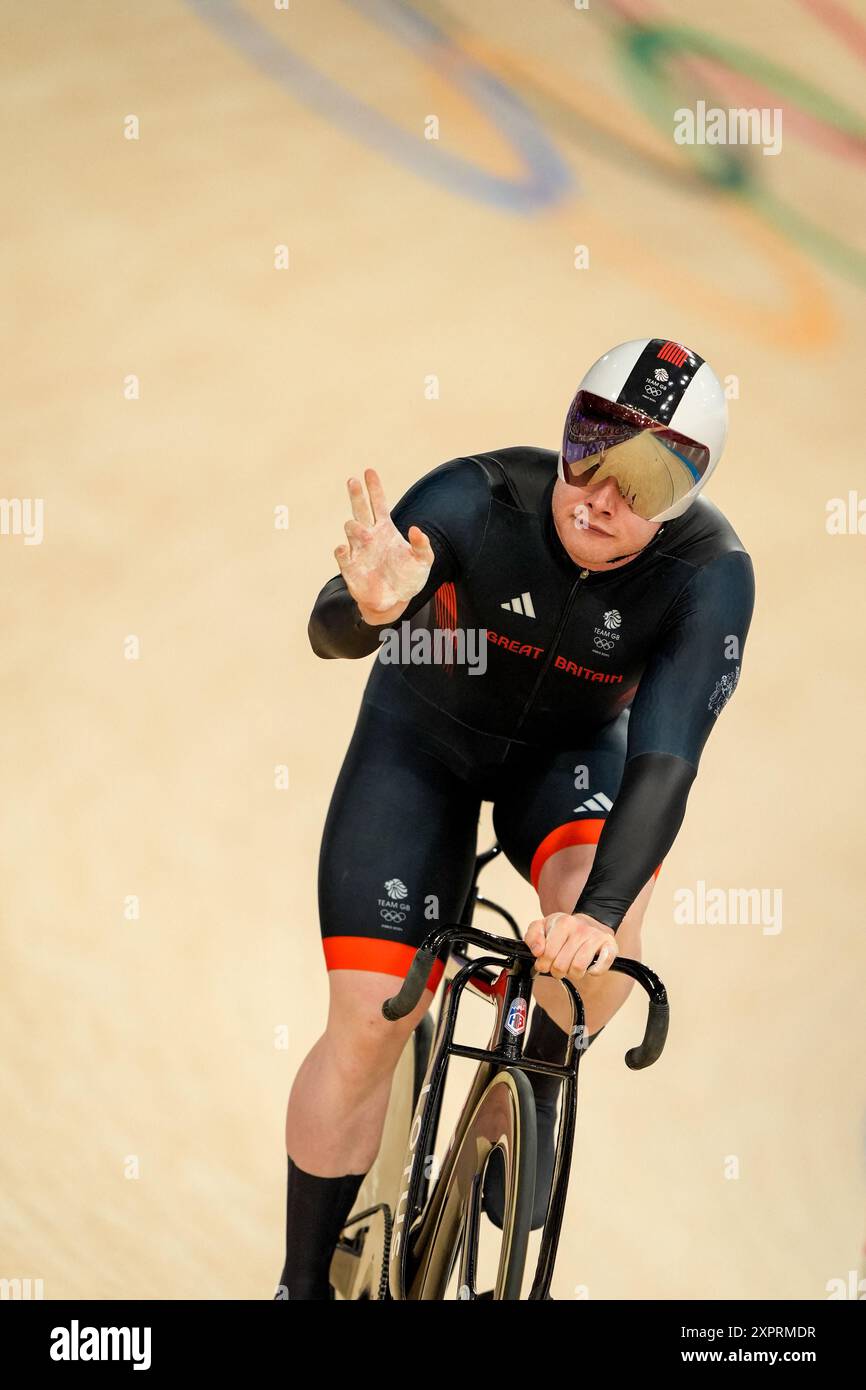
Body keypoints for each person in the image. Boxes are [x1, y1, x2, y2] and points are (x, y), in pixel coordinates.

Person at [275, 338, 755, 1299]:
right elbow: (335, 625)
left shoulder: (709, 574)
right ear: (567, 432)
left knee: (603, 933)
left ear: (685, 498)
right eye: (591, 449)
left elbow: (666, 763)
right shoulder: (474, 496)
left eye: (645, 478)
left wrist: (598, 916)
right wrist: (367, 611)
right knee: (369, 1024)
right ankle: (299, 1288)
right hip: (422, 747)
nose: (600, 497)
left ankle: (536, 1060)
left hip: (569, 765)